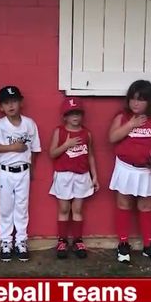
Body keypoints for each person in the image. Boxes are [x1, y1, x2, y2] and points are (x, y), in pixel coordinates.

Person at [109, 80, 151, 264]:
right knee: (124, 204)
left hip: (148, 170)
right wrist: (130, 125)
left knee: (146, 206)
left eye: (141, 100)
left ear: (149, 102)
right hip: (126, 168)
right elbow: (112, 137)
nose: (135, 103)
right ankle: (123, 244)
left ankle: (148, 245)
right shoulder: (122, 117)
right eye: (133, 99)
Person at [0, 86, 42, 262]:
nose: (11, 106)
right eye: (6, 103)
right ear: (1, 107)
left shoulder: (29, 124)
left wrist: (31, 168)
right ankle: (5, 241)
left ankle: (21, 240)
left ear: (20, 102)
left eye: (14, 101)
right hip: (6, 171)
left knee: (21, 207)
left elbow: (34, 149)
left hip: (23, 171)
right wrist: (13, 147)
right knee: (5, 207)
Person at [49, 97, 99, 259]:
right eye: (71, 114)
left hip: (82, 175)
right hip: (64, 175)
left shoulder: (87, 133)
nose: (75, 117)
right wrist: (66, 145)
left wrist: (95, 176)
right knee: (64, 209)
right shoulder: (60, 131)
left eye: (78, 113)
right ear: (65, 116)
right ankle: (62, 241)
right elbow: (52, 153)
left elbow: (90, 155)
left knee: (77, 210)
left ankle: (78, 240)